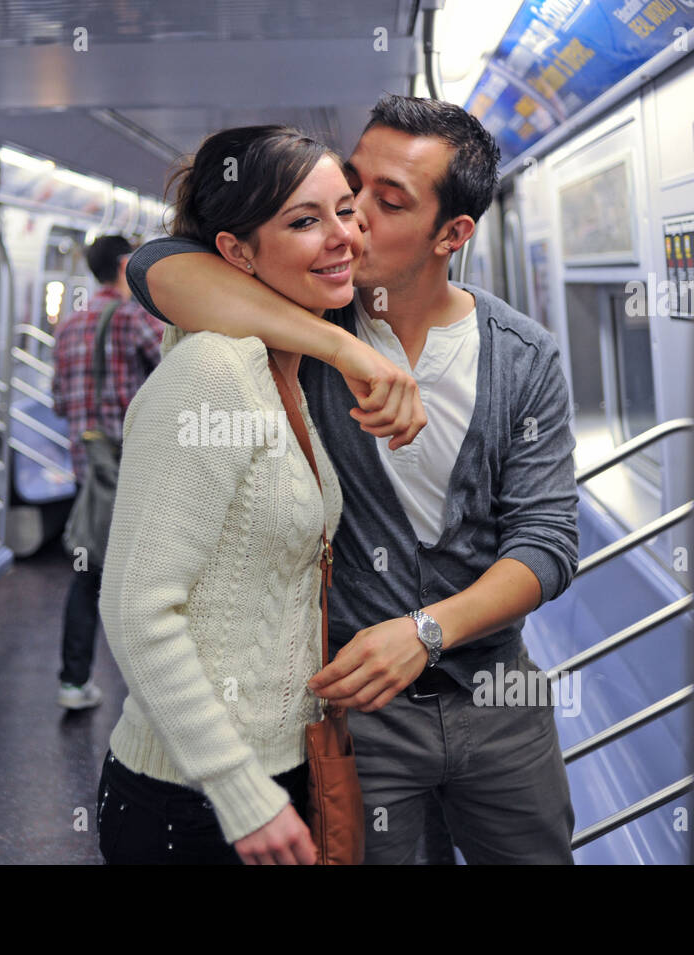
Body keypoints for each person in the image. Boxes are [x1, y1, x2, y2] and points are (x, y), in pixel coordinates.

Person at [127, 95, 580, 864]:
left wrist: (426, 632)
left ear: (454, 234)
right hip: (352, 706)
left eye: (386, 201)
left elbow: (547, 541)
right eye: (350, 186)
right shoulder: (302, 325)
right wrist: (348, 352)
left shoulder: (522, 355)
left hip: (499, 694)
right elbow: (155, 266)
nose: (352, 219)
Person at [97, 125, 368, 865]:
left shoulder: (287, 368)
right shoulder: (212, 374)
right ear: (237, 253)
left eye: (347, 209)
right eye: (305, 221)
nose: (341, 236)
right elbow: (135, 606)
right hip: (190, 801)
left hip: (276, 770)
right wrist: (238, 788)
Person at [50, 235, 164, 709]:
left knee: (89, 571)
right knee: (148, 577)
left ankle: (74, 682)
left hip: (87, 468)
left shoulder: (69, 323)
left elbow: (59, 401)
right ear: (124, 266)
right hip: (133, 468)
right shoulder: (135, 317)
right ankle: (149, 692)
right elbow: (174, 369)